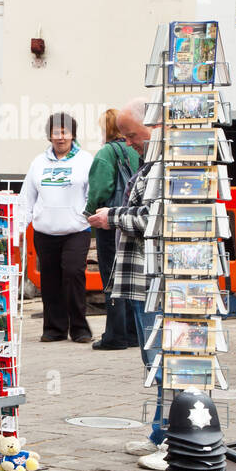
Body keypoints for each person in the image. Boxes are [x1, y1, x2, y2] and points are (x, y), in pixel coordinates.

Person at [87, 98, 167, 470]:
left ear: (154, 125)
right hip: (141, 279)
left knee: (164, 361)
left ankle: (173, 440)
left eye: (133, 135)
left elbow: (157, 218)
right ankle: (160, 434)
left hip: (155, 279)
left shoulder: (168, 165)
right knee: (152, 361)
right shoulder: (150, 160)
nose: (129, 142)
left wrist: (111, 216)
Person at [18, 112, 94, 342]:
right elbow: (27, 197)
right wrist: (21, 226)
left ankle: (80, 328)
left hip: (76, 230)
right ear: (49, 135)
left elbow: (93, 193)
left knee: (72, 274)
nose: (60, 137)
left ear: (73, 134)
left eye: (65, 132)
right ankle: (54, 328)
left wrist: (87, 216)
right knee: (49, 280)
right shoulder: (38, 163)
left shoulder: (85, 160)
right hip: (45, 231)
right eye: (56, 132)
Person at [86, 108, 141, 350]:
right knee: (133, 276)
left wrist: (88, 213)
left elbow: (99, 190)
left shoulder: (105, 154)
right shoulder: (137, 149)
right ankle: (132, 332)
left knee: (111, 277)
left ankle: (115, 335)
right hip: (134, 220)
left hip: (110, 221)